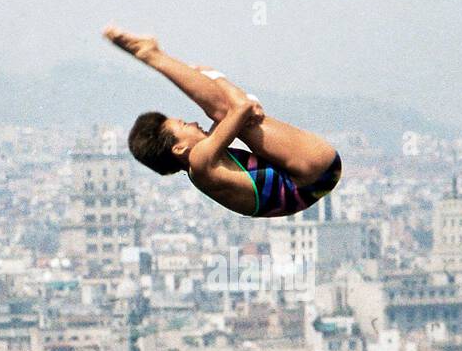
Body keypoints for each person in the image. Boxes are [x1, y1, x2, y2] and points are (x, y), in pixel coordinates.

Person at [104, 26, 343, 218]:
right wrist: (215, 77)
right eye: (184, 125)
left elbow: (237, 109)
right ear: (179, 148)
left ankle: (154, 55)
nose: (193, 123)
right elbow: (238, 107)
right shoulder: (199, 161)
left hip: (309, 181)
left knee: (225, 111)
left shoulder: (203, 168)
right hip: (310, 175)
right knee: (223, 110)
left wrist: (220, 87)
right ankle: (151, 55)